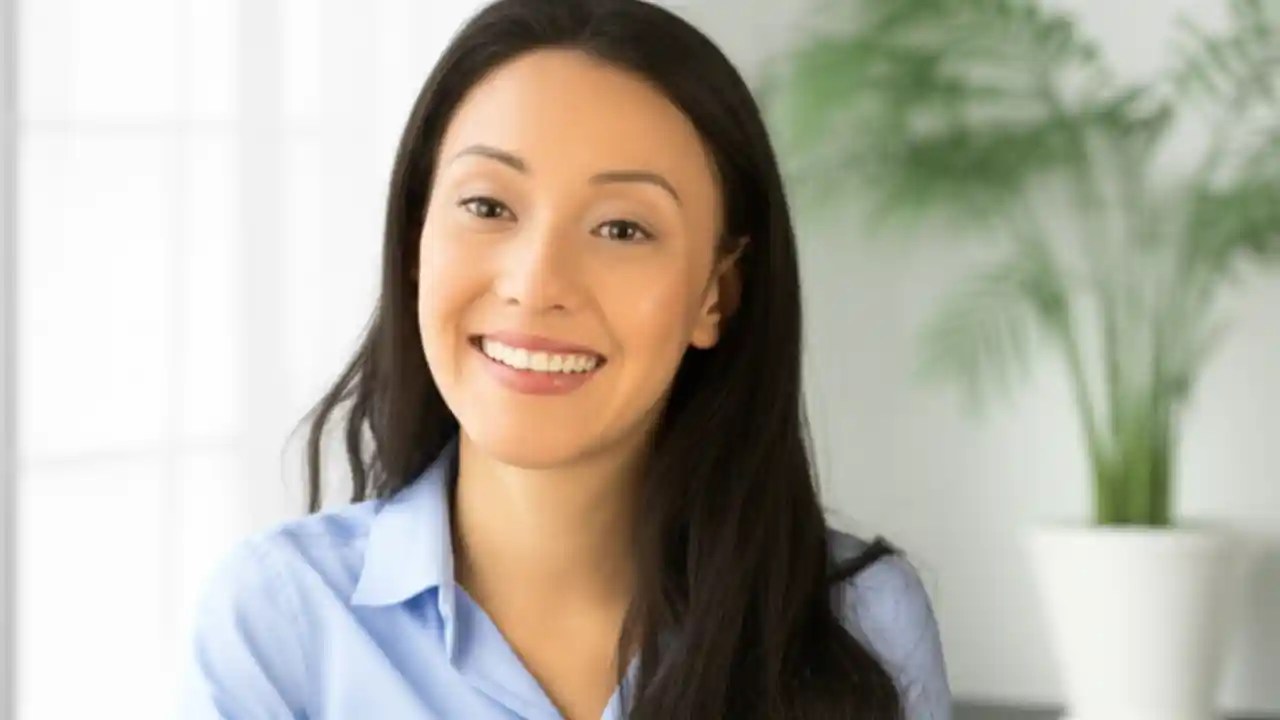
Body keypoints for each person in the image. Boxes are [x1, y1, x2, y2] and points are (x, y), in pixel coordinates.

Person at [178, 0, 951, 717]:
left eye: (622, 229)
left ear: (715, 293)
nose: (536, 284)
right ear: (418, 241)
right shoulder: (279, 622)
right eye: (487, 207)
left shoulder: (859, 619)